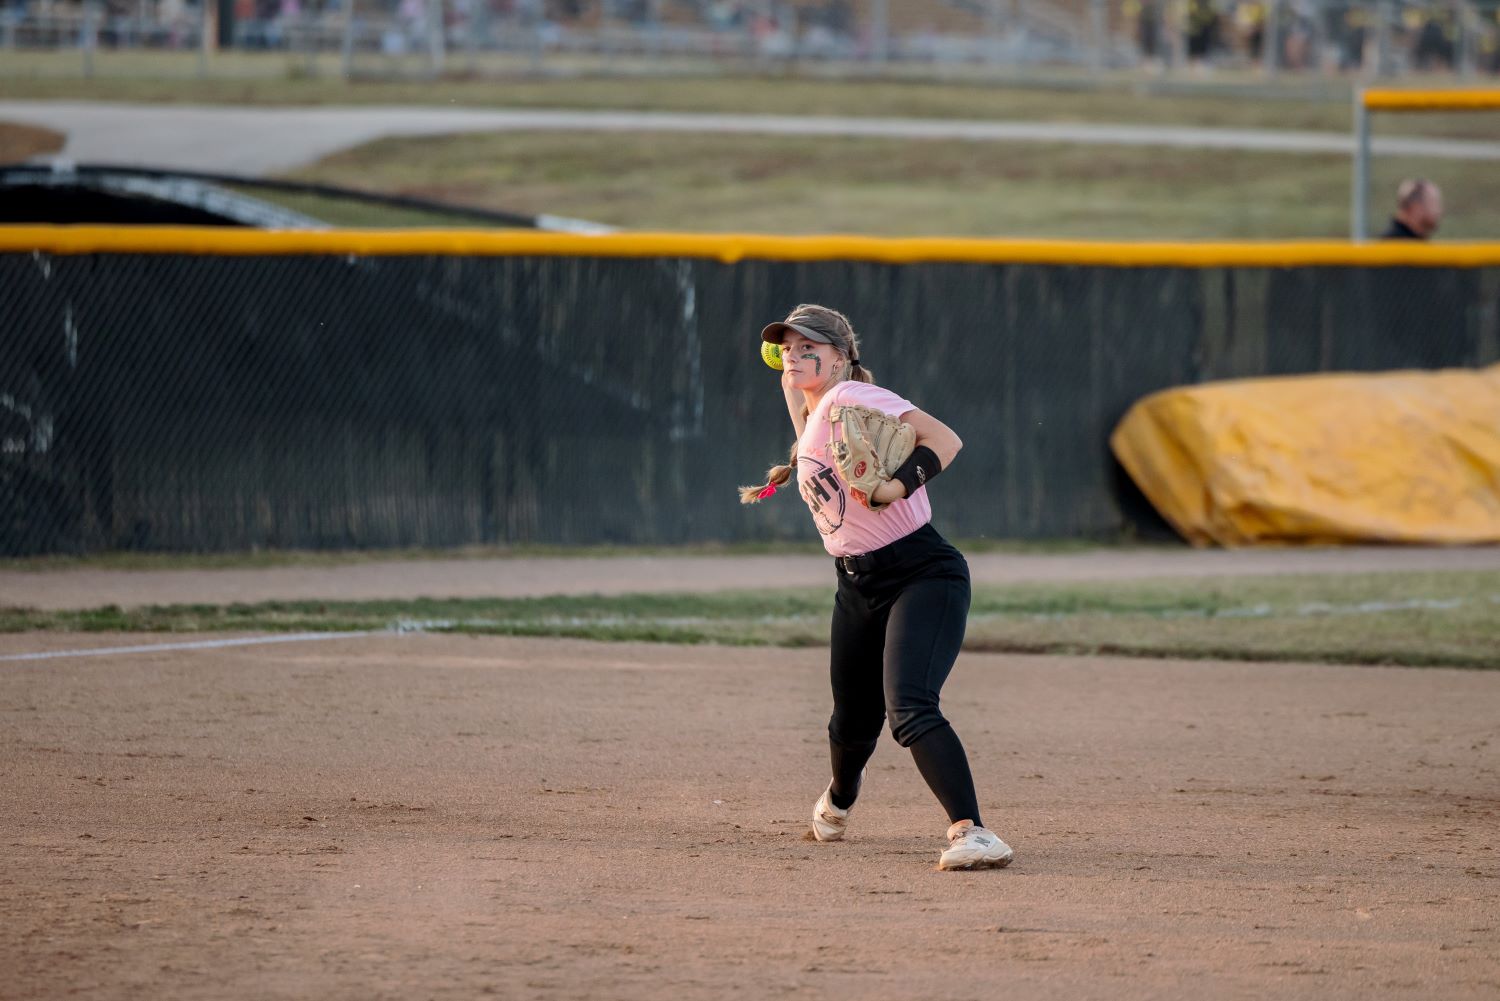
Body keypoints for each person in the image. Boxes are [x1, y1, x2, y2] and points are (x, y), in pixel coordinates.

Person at [740, 304, 1013, 871]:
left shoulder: (853, 397)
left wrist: (895, 487)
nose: (794, 355)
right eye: (787, 348)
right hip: (855, 585)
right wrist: (792, 382)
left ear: (841, 357)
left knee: (909, 707)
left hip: (921, 573)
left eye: (809, 347)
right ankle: (840, 798)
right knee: (851, 721)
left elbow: (945, 439)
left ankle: (973, 832)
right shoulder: (819, 413)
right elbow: (807, 425)